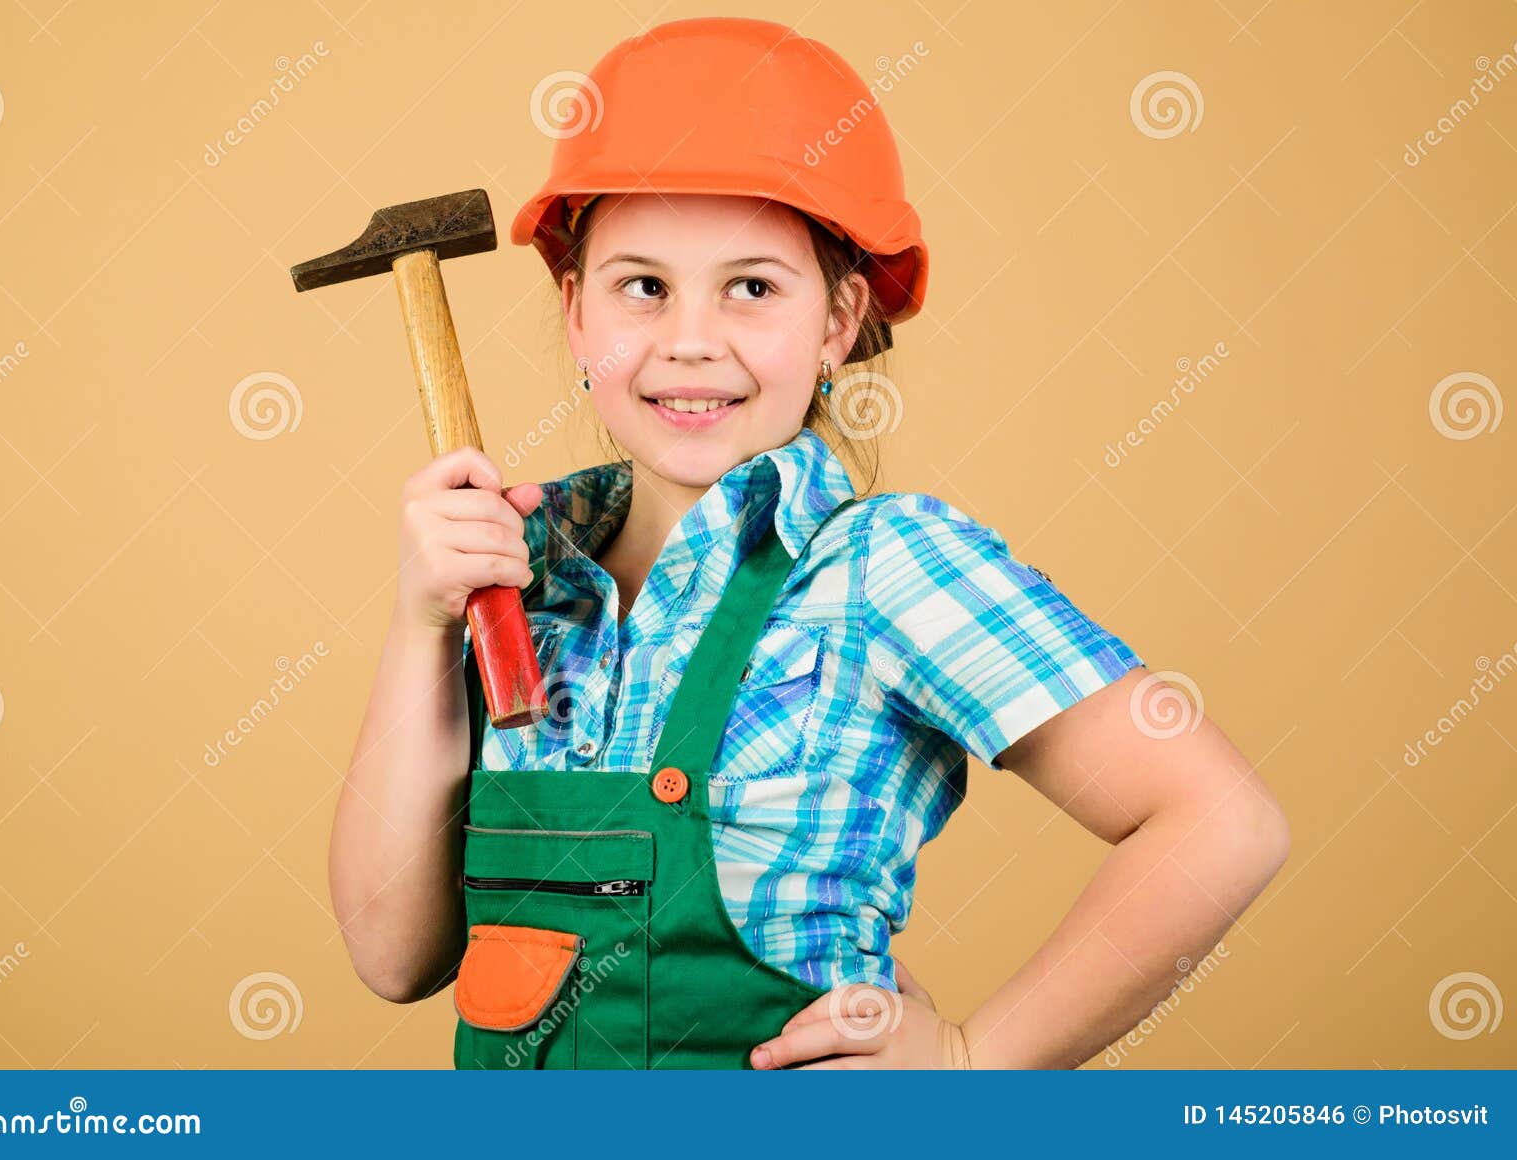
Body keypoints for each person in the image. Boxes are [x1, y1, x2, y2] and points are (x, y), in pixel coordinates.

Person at [329, 16, 1290, 1070]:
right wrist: (423, 622)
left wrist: (972, 1063)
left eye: (752, 286)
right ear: (574, 314)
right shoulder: (521, 586)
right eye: (641, 285)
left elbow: (1219, 820)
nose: (690, 337)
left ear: (837, 321)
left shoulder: (882, 566)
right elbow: (392, 953)